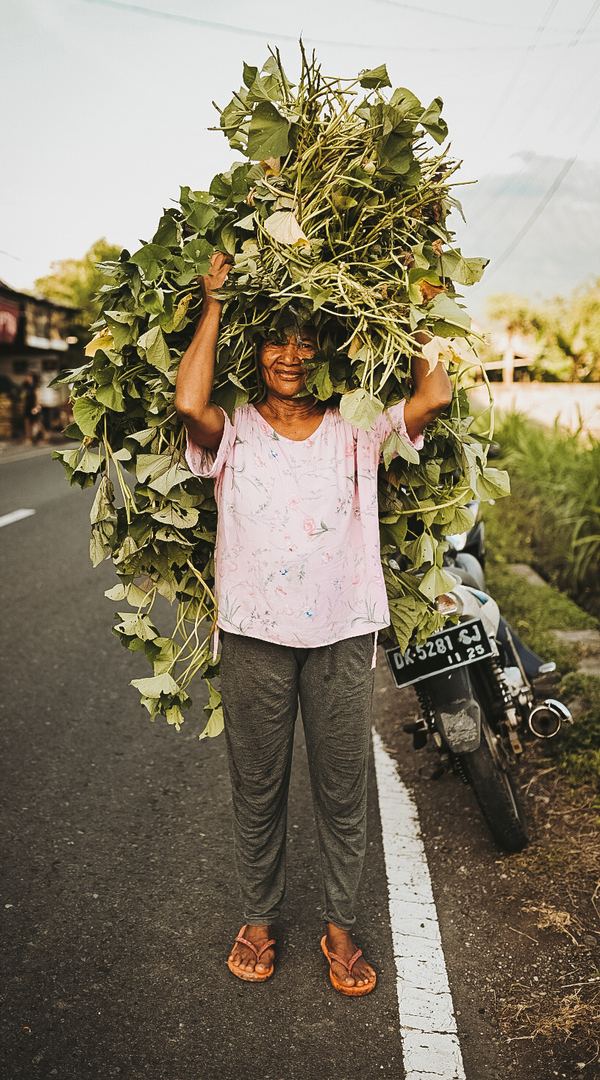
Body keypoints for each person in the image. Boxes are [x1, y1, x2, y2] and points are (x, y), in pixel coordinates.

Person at [175, 252, 452, 995]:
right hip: (253, 634)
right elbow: (185, 403)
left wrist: (417, 306)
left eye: (306, 341)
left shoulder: (356, 430)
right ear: (254, 351)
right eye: (276, 340)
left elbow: (433, 397)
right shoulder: (233, 429)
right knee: (257, 785)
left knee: (341, 786)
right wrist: (214, 304)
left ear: (326, 353)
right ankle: (259, 918)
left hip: (341, 632)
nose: (291, 355)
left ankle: (338, 924)